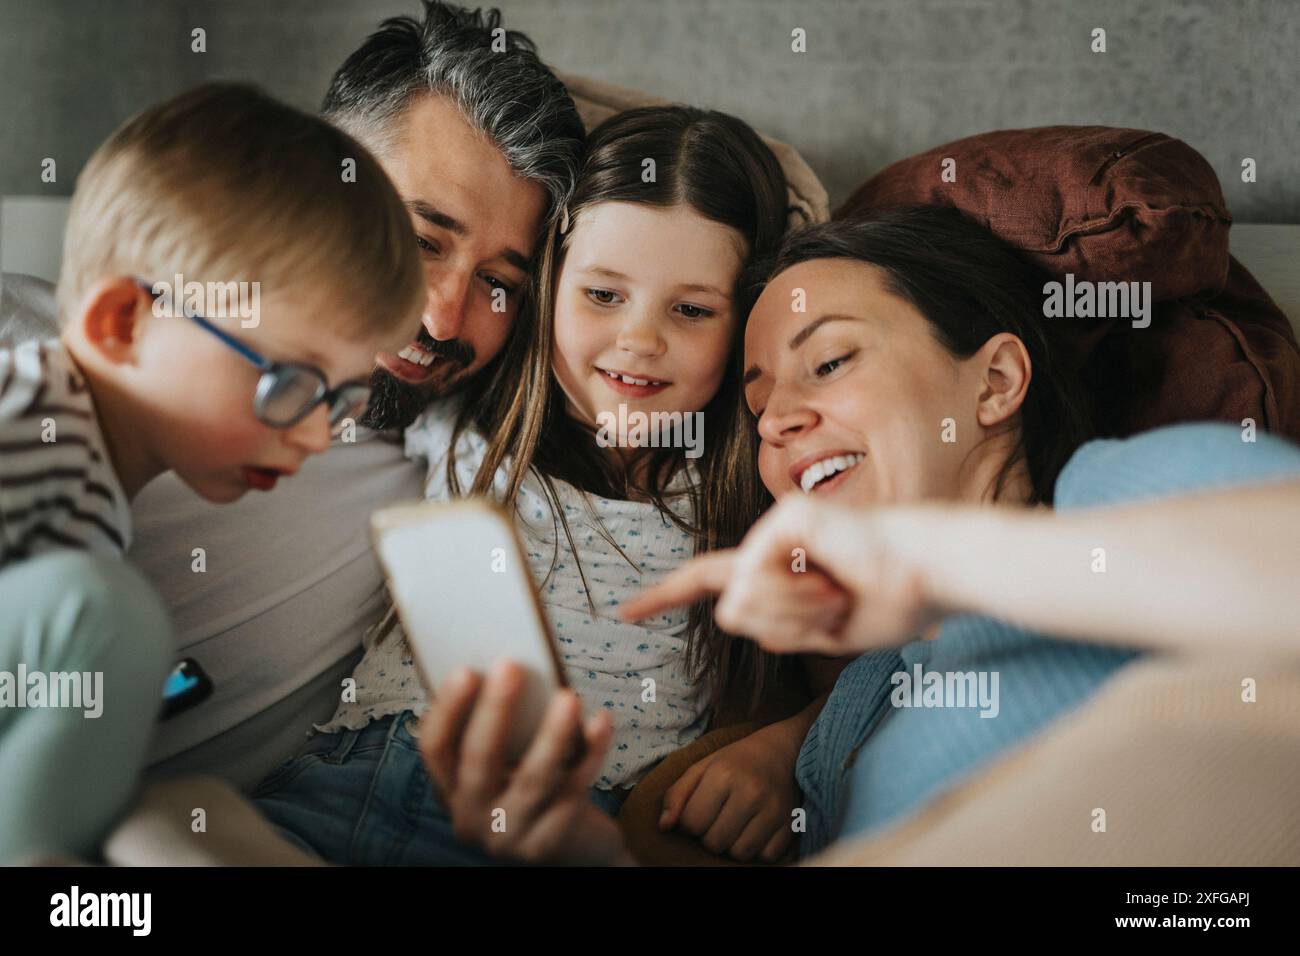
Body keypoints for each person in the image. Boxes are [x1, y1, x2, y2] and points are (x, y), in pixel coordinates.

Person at [626, 205, 1300, 857]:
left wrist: (925, 557)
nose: (775, 422)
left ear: (996, 382)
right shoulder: (854, 708)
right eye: (760, 405)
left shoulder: (1116, 499)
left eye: (830, 362)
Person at [249, 104, 796, 865]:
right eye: (602, 295)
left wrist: (781, 751)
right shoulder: (474, 403)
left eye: (693, 309)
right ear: (546, 287)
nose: (639, 339)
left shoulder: (746, 491)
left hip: (564, 829)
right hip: (356, 778)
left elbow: (866, 655)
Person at [127, 1, 585, 790]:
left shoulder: (444, 482)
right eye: (418, 240)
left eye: (499, 283)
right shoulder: (42, 343)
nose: (444, 313)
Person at [0, 82, 425, 864]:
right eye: (288, 384)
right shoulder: (25, 411)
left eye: (342, 398)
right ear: (123, 322)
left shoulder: (93, 477)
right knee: (107, 620)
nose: (312, 437)